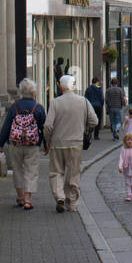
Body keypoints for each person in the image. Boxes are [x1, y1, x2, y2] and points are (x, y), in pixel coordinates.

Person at [43, 74, 97, 212]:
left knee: (56, 171)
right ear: (74, 85)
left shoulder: (55, 102)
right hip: (76, 143)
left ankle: (59, 196)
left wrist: (47, 140)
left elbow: (48, 125)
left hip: (57, 142)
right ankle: (71, 202)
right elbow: (94, 121)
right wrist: (84, 127)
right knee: (73, 173)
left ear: (60, 86)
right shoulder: (83, 101)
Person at [0, 78, 46, 210]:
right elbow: (44, 127)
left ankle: (19, 197)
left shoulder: (14, 106)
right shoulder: (38, 108)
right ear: (33, 92)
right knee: (31, 171)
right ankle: (27, 199)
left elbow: (6, 126)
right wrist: (46, 144)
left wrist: (1, 144)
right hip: (33, 145)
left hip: (15, 144)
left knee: (17, 169)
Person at [85, 77, 106, 144]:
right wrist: (101, 105)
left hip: (91, 106)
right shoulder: (99, 88)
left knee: (90, 119)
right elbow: (102, 98)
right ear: (97, 82)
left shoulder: (88, 88)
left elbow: (86, 98)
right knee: (98, 120)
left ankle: (90, 132)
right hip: (98, 106)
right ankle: (96, 135)